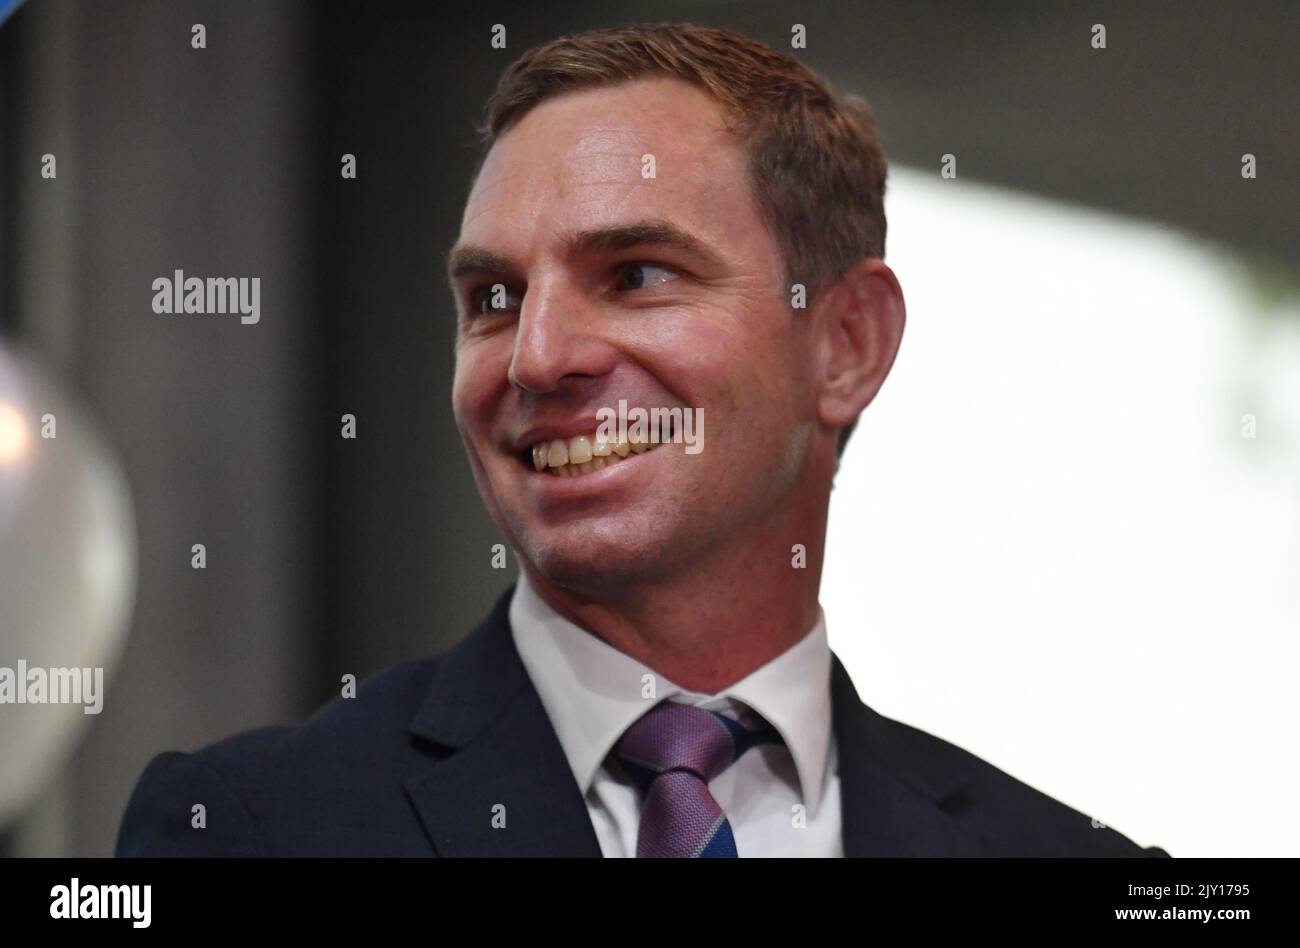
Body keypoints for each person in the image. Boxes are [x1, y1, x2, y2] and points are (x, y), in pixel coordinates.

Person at [117, 22, 1168, 858]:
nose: (534, 357)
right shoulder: (247, 830)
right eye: (492, 296)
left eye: (636, 276)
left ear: (846, 344)